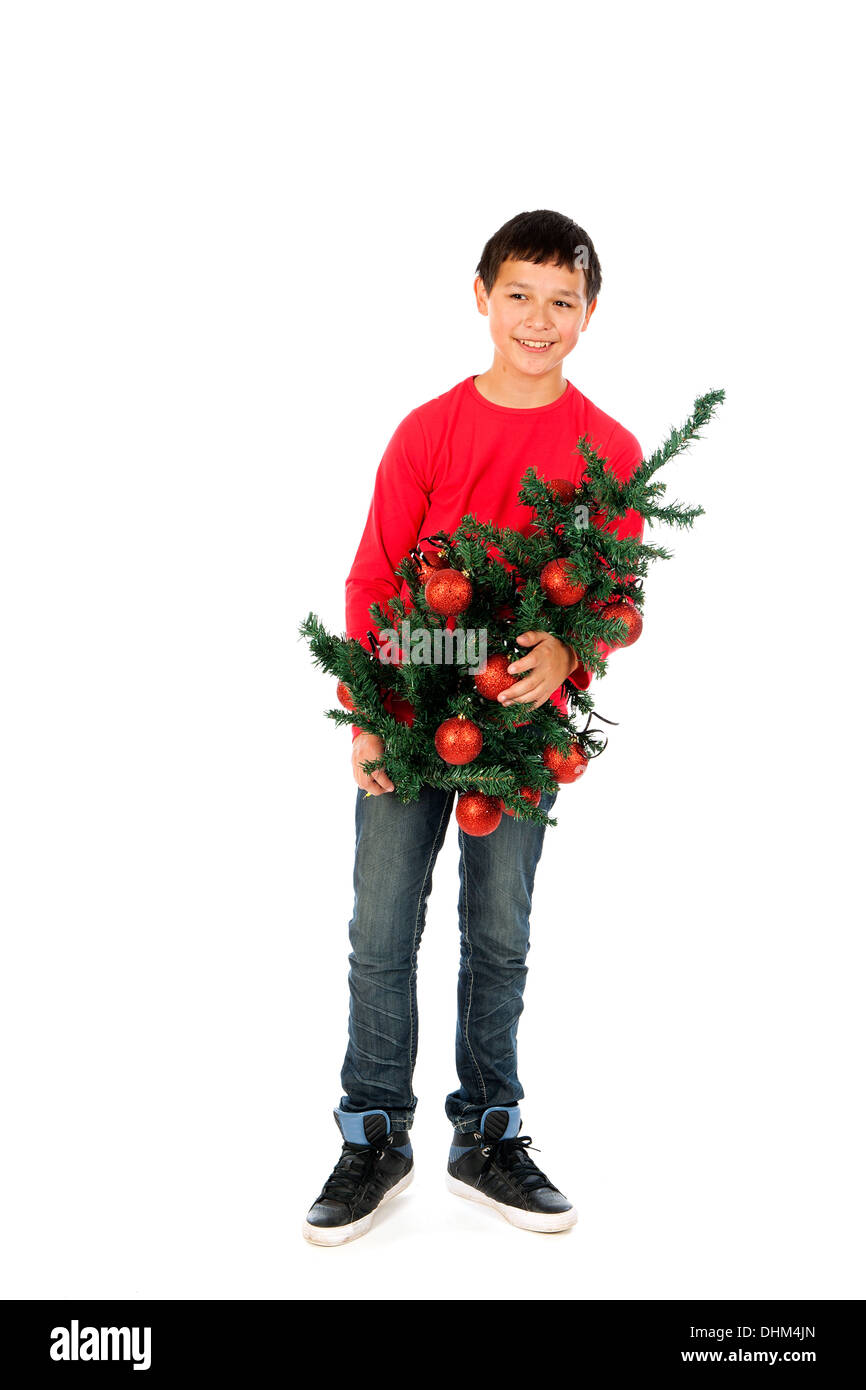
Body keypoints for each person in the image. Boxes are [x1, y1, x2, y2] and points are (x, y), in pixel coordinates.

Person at [302, 209, 644, 1246]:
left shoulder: (605, 446)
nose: (537, 319)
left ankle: (487, 1132)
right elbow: (373, 578)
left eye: (561, 301)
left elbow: (615, 593)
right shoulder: (428, 430)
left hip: (519, 733)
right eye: (518, 295)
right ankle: (373, 1134)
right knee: (378, 929)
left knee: (498, 934)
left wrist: (568, 658)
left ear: (589, 315)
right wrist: (367, 716)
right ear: (480, 296)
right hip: (412, 708)